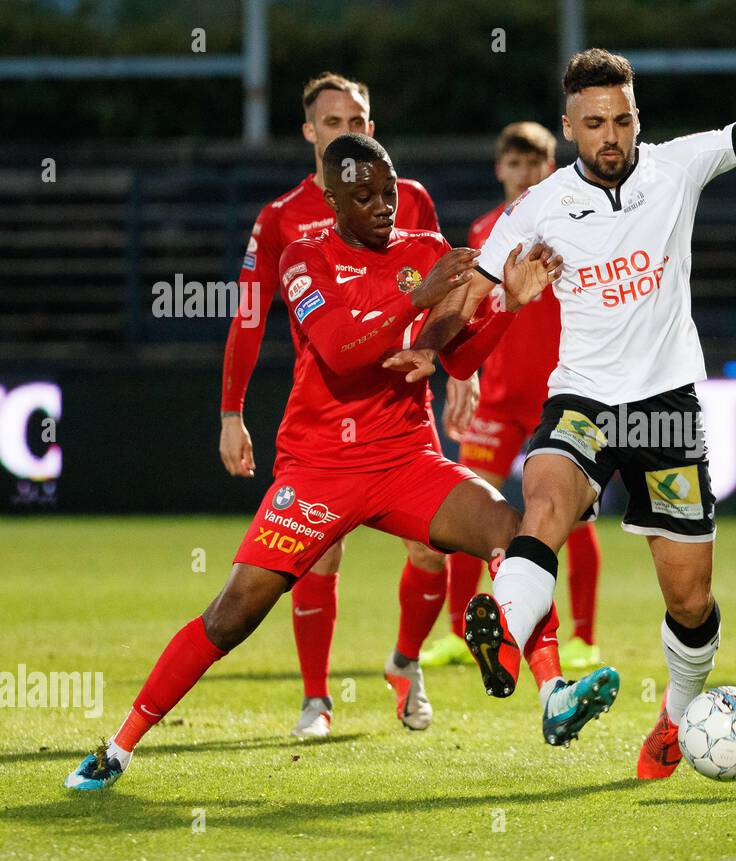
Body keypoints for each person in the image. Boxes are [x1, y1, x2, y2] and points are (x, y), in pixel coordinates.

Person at [385, 27, 736, 778]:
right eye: (597, 123)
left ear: (637, 117)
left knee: (691, 598)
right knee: (543, 508)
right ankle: (504, 630)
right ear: (570, 128)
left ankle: (674, 720)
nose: (613, 136)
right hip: (583, 399)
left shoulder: (676, 168)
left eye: (624, 119)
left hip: (667, 408)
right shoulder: (538, 207)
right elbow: (469, 294)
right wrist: (431, 344)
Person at [66, 134, 618, 791]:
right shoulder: (305, 258)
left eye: (388, 191)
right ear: (332, 200)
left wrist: (507, 305)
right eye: (364, 197)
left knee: (512, 531)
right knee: (232, 614)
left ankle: (552, 692)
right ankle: (120, 746)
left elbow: (461, 359)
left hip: (405, 457)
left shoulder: (427, 252)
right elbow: (339, 351)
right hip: (318, 468)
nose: (383, 206)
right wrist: (416, 301)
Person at [218, 72, 477, 738]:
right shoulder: (281, 220)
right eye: (333, 123)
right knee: (319, 552)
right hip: (329, 416)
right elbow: (248, 317)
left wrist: (459, 372)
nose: (349, 132)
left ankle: (405, 662)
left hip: (403, 413)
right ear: (310, 133)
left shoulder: (407, 199)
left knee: (434, 550)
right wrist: (230, 412)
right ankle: (315, 698)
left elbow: (448, 293)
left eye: (358, 120)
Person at [424, 121, 604, 673]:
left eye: (536, 163)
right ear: (500, 168)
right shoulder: (484, 232)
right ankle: (458, 632)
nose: (525, 172)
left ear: (549, 168)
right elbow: (466, 319)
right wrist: (462, 376)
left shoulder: (572, 229)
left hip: (561, 396)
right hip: (497, 401)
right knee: (468, 513)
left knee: (574, 520)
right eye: (516, 163)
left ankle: (583, 638)